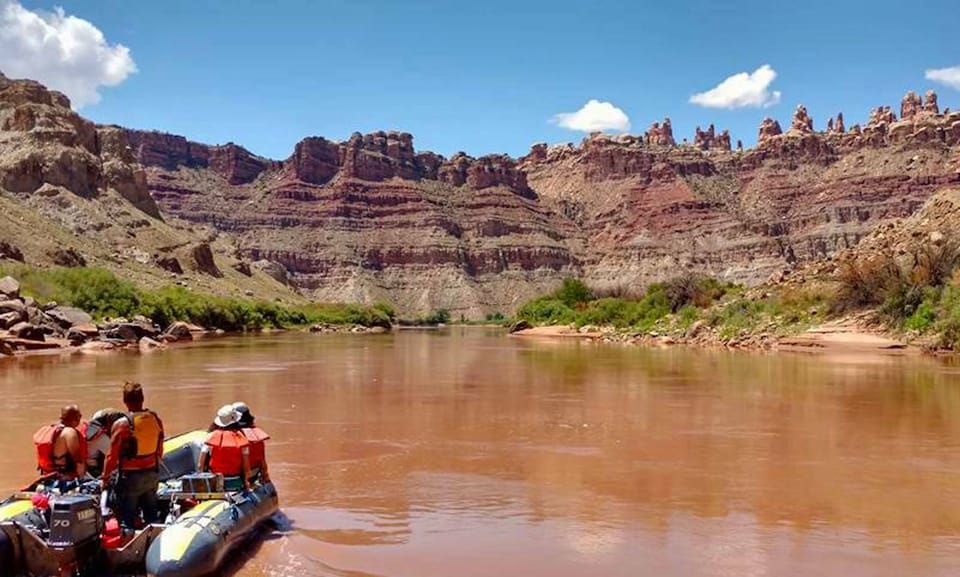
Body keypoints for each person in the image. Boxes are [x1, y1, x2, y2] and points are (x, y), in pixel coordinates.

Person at [100, 382, 165, 531]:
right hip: (152, 473)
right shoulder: (155, 419)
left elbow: (111, 456)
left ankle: (127, 548)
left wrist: (105, 479)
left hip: (130, 477)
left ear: (125, 401)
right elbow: (160, 449)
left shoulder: (122, 424)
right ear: (142, 398)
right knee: (152, 515)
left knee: (126, 518)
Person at [198, 405, 250, 491]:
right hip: (235, 481)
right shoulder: (241, 438)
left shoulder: (210, 437)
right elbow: (246, 467)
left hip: (214, 481)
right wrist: (246, 481)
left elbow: (200, 465)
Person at [33, 405, 86, 483]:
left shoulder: (49, 429)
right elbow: (78, 461)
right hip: (64, 477)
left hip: (47, 475)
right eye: (80, 416)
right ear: (76, 418)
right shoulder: (70, 432)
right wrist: (82, 479)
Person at [233, 402, 271, 485]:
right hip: (253, 473)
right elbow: (262, 461)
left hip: (237, 475)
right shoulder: (257, 436)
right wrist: (266, 476)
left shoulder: (232, 437)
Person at [82, 408, 125, 478]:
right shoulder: (100, 437)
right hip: (94, 470)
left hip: (86, 466)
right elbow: (114, 457)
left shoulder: (89, 429)